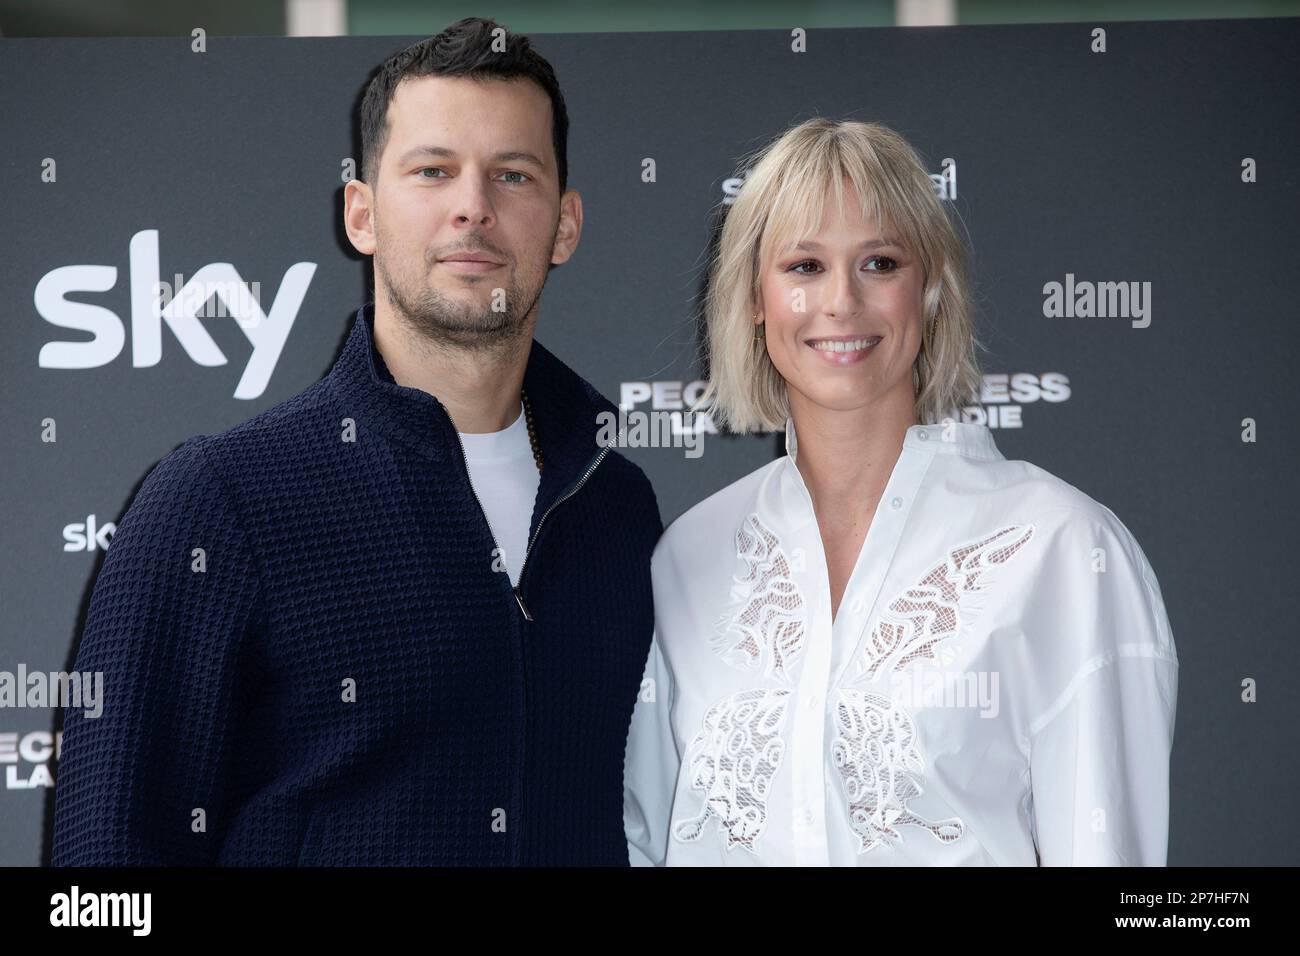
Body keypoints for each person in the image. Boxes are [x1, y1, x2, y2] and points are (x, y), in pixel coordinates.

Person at [53, 17, 661, 866]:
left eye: (512, 175)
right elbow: (102, 873)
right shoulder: (220, 501)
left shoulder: (616, 505)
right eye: (433, 171)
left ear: (564, 226)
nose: (472, 206)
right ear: (362, 215)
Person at [623, 118, 1178, 866]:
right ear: (755, 298)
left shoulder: (1063, 551)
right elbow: (648, 841)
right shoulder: (688, 559)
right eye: (804, 266)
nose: (842, 302)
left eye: (879, 262)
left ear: (932, 289)